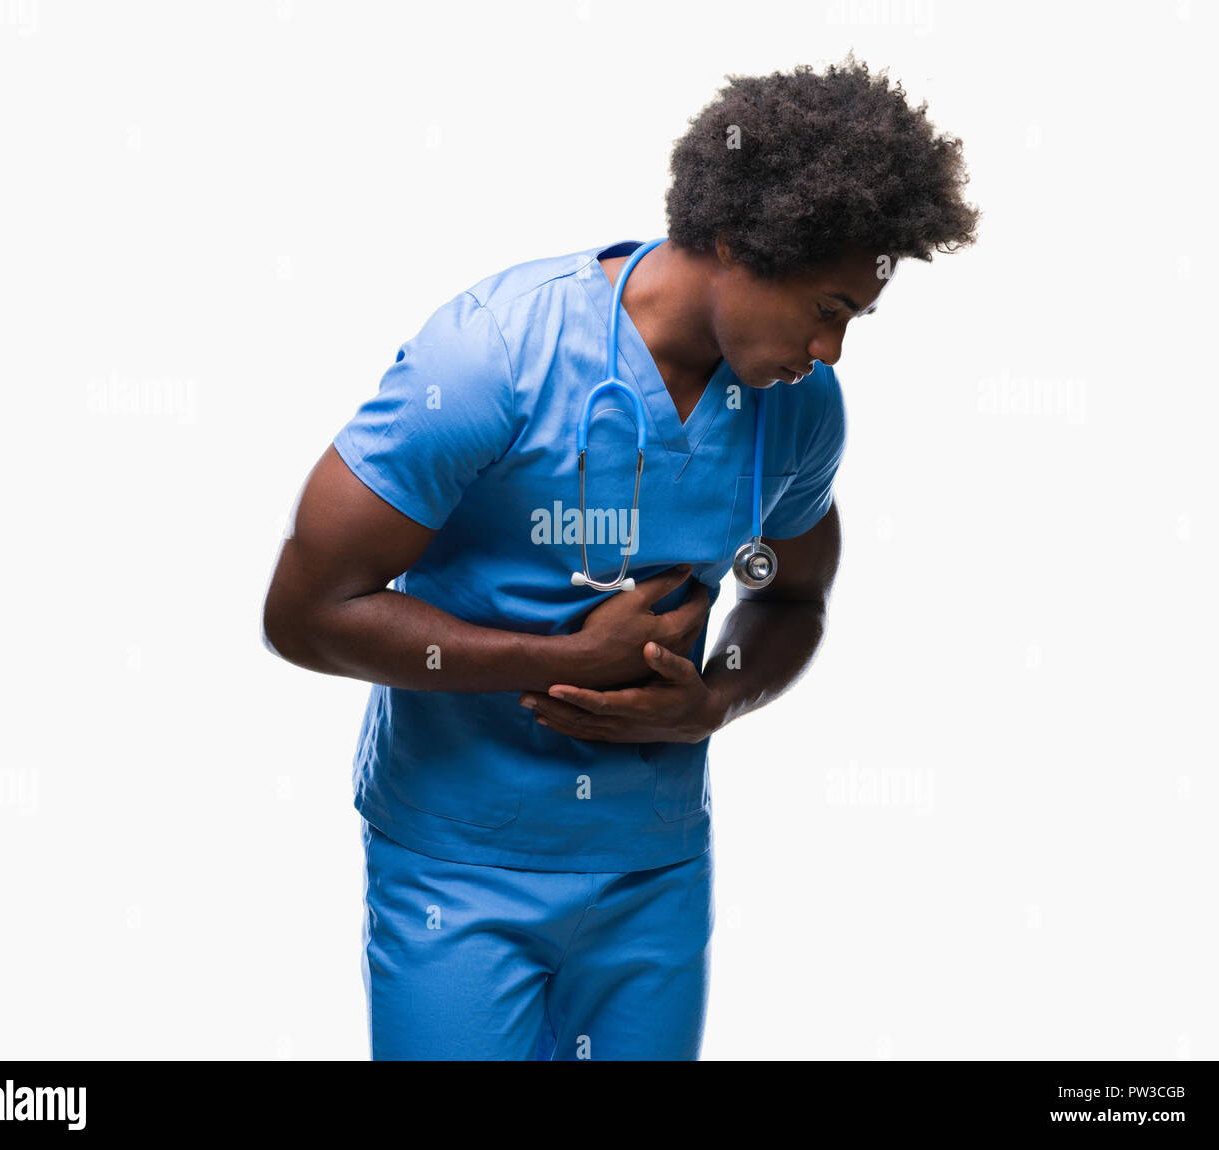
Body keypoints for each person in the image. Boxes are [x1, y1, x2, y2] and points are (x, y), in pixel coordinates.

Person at [261, 53, 979, 1060]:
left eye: (852, 317)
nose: (833, 350)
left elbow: (794, 595)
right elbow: (304, 611)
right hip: (456, 870)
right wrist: (555, 659)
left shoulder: (800, 411)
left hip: (653, 872)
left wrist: (717, 698)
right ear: (738, 240)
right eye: (825, 308)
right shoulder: (491, 357)